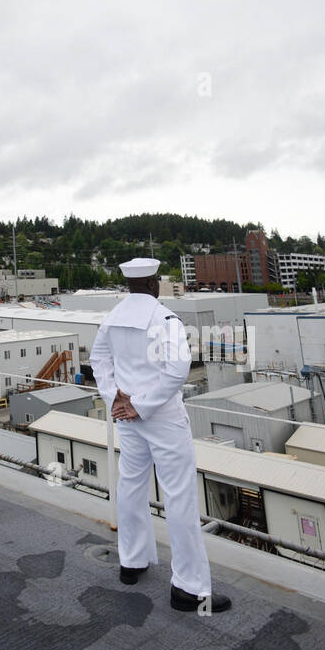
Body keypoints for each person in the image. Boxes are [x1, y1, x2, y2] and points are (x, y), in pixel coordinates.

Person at [89, 257, 231, 613]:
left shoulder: (113, 317)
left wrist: (116, 399)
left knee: (131, 485)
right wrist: (143, 404)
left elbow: (98, 361)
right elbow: (178, 370)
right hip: (162, 418)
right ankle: (188, 587)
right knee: (179, 497)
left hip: (128, 418)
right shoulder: (164, 318)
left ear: (129, 284)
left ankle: (131, 561)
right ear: (154, 284)